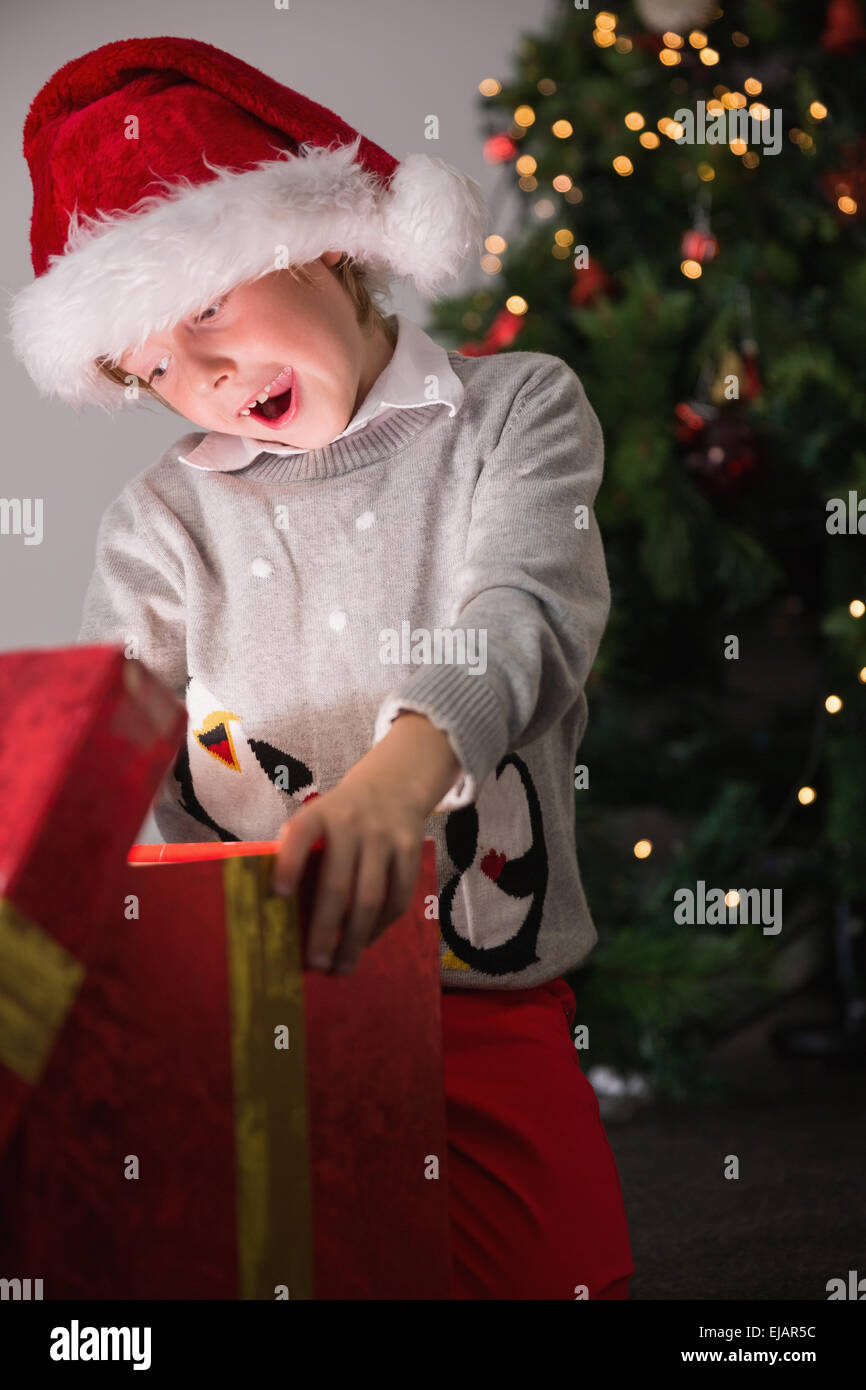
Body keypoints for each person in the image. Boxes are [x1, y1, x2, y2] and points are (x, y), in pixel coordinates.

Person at [9, 34, 634, 1300]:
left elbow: (522, 617)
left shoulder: (516, 411)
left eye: (205, 308)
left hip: (479, 999)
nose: (198, 376)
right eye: (150, 364)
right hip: (243, 1010)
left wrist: (394, 789)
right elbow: (99, 750)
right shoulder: (159, 526)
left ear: (326, 242)